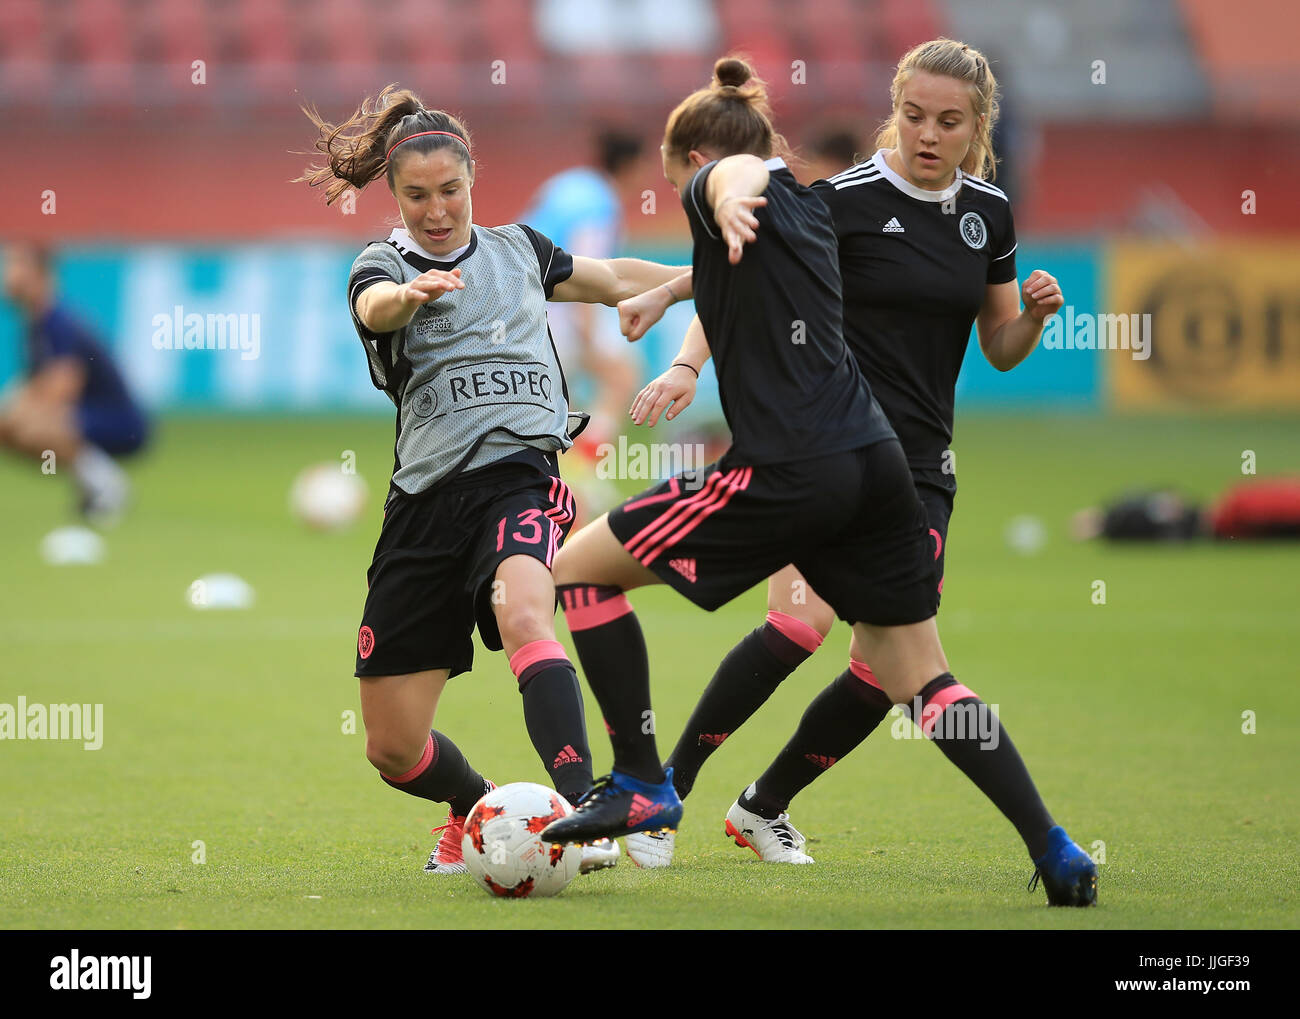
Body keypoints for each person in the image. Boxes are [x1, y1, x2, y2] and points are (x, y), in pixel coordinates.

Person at [539, 56, 1096, 907]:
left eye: (949, 121)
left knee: (578, 568)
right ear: (894, 113)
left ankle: (650, 783)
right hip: (871, 459)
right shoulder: (830, 197)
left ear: (976, 128)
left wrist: (717, 196)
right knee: (914, 672)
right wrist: (683, 335)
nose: (927, 133)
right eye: (914, 114)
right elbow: (747, 249)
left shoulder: (974, 215)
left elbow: (730, 183)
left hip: (819, 462)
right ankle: (1055, 847)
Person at [296, 84, 686, 876]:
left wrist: (695, 276)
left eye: (450, 191)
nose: (436, 209)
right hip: (424, 504)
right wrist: (408, 294)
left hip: (519, 475)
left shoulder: (520, 251)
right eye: (416, 196)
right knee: (393, 745)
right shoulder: (381, 265)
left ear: (472, 181)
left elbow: (612, 277)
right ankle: (472, 806)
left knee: (525, 610)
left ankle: (590, 811)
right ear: (395, 195)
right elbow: (375, 309)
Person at [519, 129, 645, 462]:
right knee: (623, 373)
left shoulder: (569, 184)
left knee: (557, 406)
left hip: (519, 301)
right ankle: (590, 454)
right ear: (631, 166)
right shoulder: (600, 203)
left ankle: (575, 471)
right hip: (554, 308)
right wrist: (588, 333)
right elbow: (580, 268)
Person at [0, 242, 148, 522]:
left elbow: (63, 388)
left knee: (30, 423)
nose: (8, 276)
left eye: (15, 266)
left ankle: (107, 484)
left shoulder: (58, 322)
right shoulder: (34, 326)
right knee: (9, 427)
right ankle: (94, 483)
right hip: (87, 418)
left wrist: (17, 407)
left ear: (38, 273)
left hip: (118, 422)